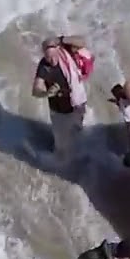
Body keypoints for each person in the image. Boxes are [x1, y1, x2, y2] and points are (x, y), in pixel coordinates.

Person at [32, 35, 95, 164]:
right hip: (59, 111)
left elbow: (82, 42)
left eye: (53, 56)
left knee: (77, 130)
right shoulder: (44, 66)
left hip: (78, 103)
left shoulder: (67, 52)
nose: (51, 60)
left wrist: (61, 40)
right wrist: (46, 93)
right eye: (48, 57)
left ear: (58, 50)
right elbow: (35, 90)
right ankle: (61, 161)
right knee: (60, 141)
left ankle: (77, 150)